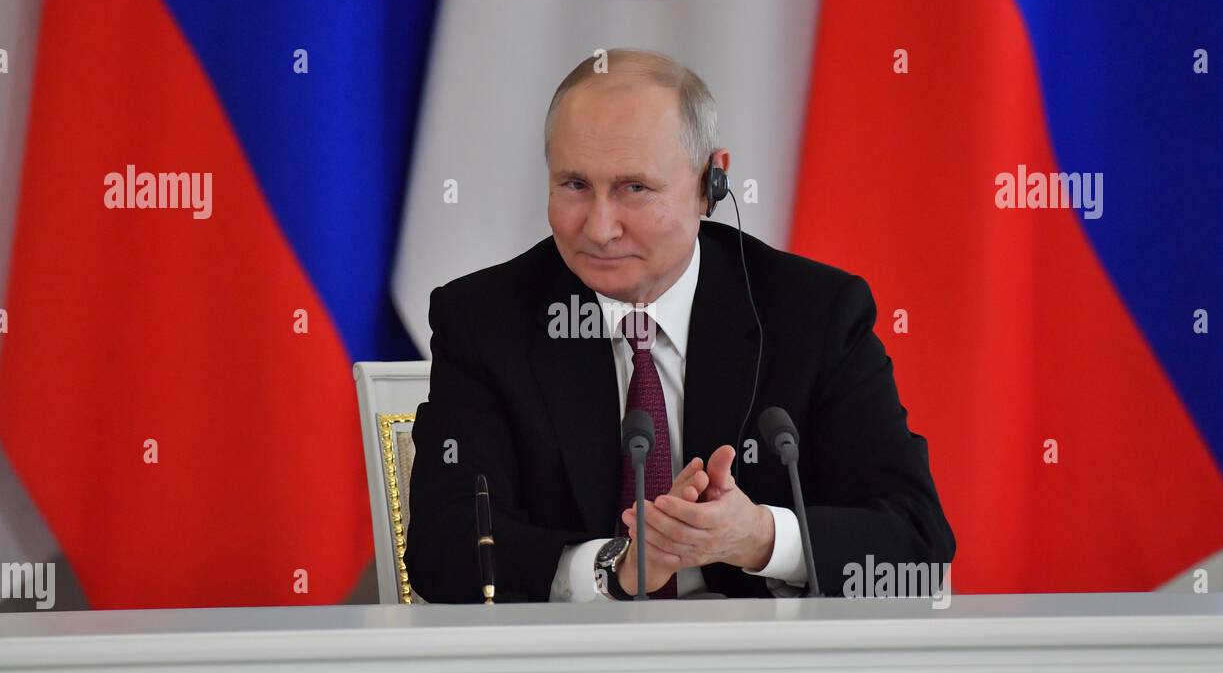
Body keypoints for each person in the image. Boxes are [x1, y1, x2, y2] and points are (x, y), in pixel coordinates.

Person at [406, 49, 953, 603]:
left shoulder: (812, 313)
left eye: (633, 188)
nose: (598, 229)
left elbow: (918, 542)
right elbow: (443, 548)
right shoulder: (485, 320)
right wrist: (610, 569)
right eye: (574, 185)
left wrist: (760, 537)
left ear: (709, 184)